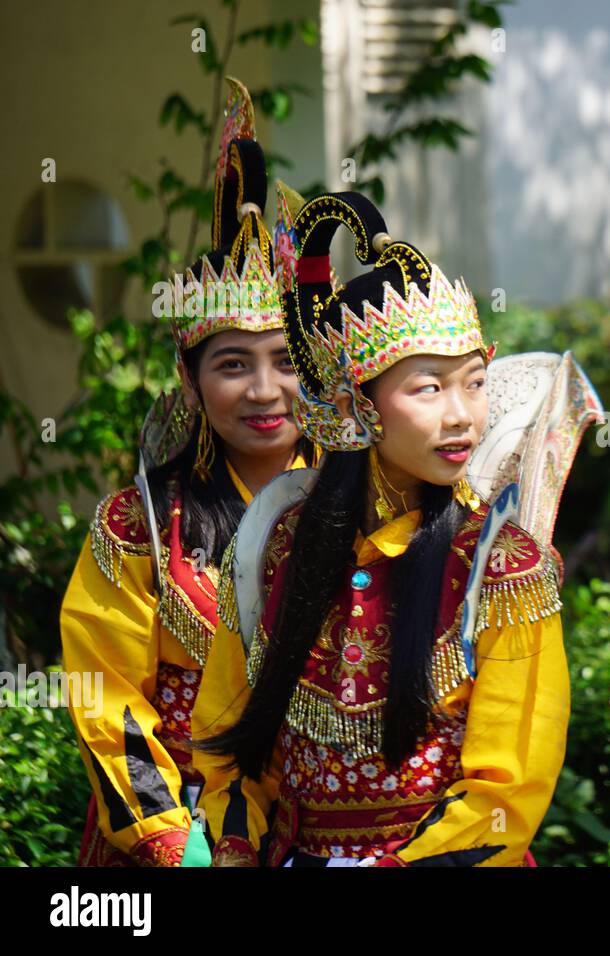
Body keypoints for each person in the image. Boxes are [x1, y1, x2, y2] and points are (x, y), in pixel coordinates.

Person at [192, 191, 570, 867]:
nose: (462, 415)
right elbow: (229, 746)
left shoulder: (502, 567)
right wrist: (236, 847)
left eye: (474, 382)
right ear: (351, 404)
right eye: (428, 387)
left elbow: (508, 791)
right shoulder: (278, 549)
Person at [60, 77, 309, 866]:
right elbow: (107, 699)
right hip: (174, 835)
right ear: (189, 375)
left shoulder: (366, 505)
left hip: (318, 832)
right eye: (234, 365)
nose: (265, 391)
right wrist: (178, 844)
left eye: (287, 363)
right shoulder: (138, 526)